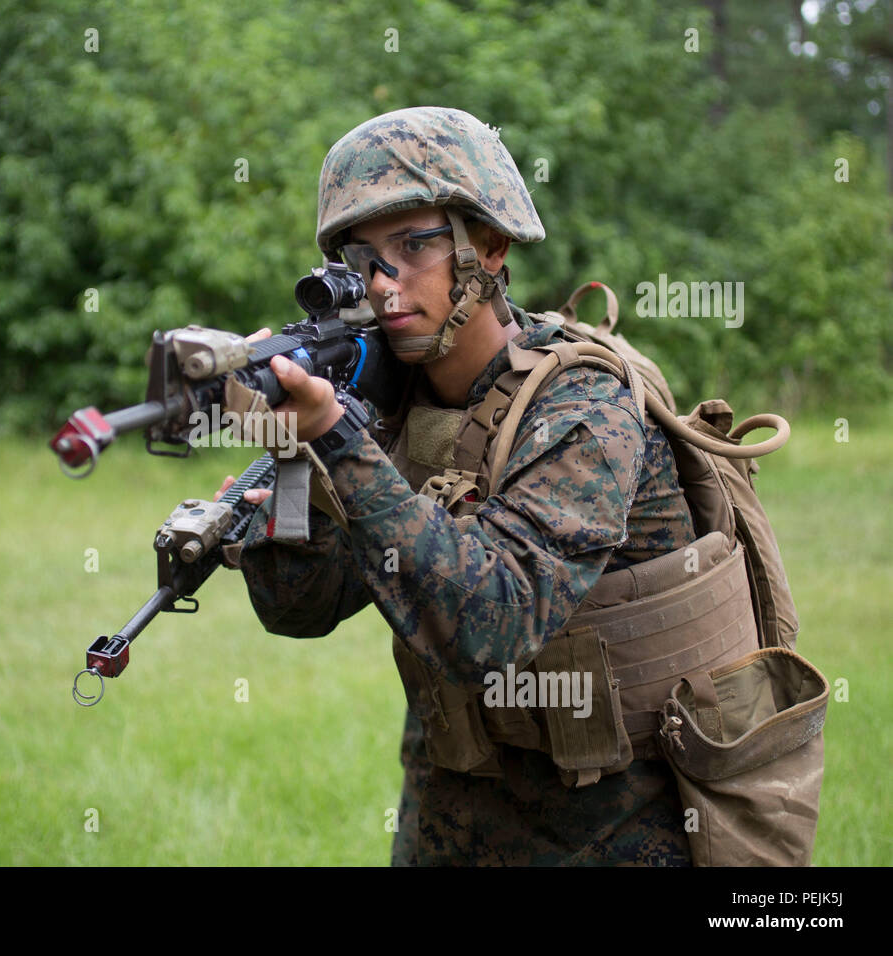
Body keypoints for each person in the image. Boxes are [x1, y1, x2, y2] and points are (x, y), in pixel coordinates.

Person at [217, 106, 701, 865]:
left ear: (490, 245)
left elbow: (492, 628)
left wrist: (335, 442)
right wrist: (294, 481)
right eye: (361, 256)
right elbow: (303, 611)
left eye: (414, 246)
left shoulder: (584, 408)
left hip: (614, 831)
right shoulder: (386, 403)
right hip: (450, 819)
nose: (384, 282)